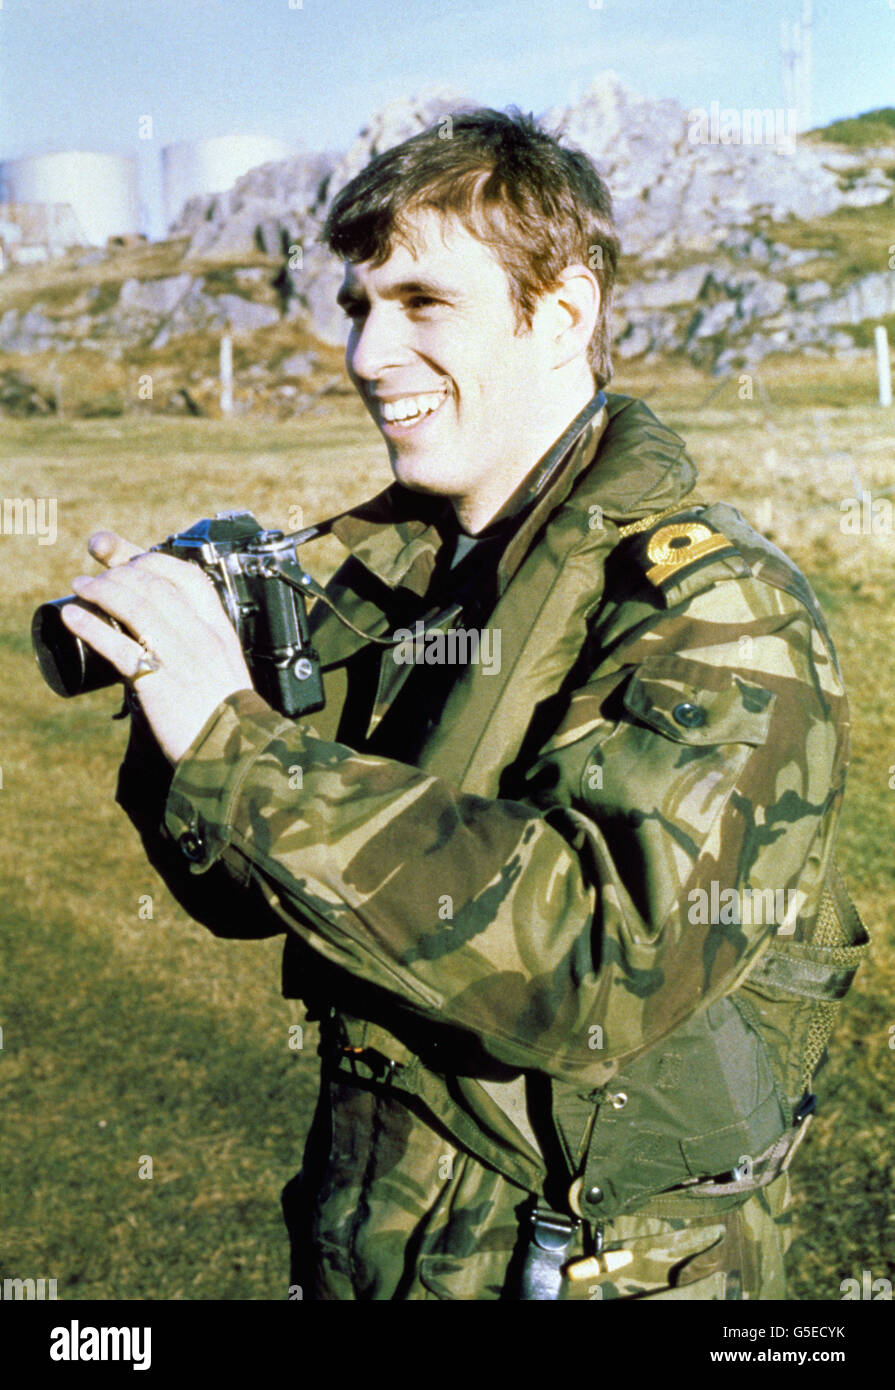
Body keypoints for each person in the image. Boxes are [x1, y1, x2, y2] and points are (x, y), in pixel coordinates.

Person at [61, 108, 867, 1301]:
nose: (367, 355)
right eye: (358, 308)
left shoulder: (720, 607)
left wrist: (237, 741)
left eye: (422, 304)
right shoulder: (408, 578)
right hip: (380, 1247)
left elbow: (603, 956)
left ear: (563, 315)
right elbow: (246, 891)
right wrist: (171, 703)